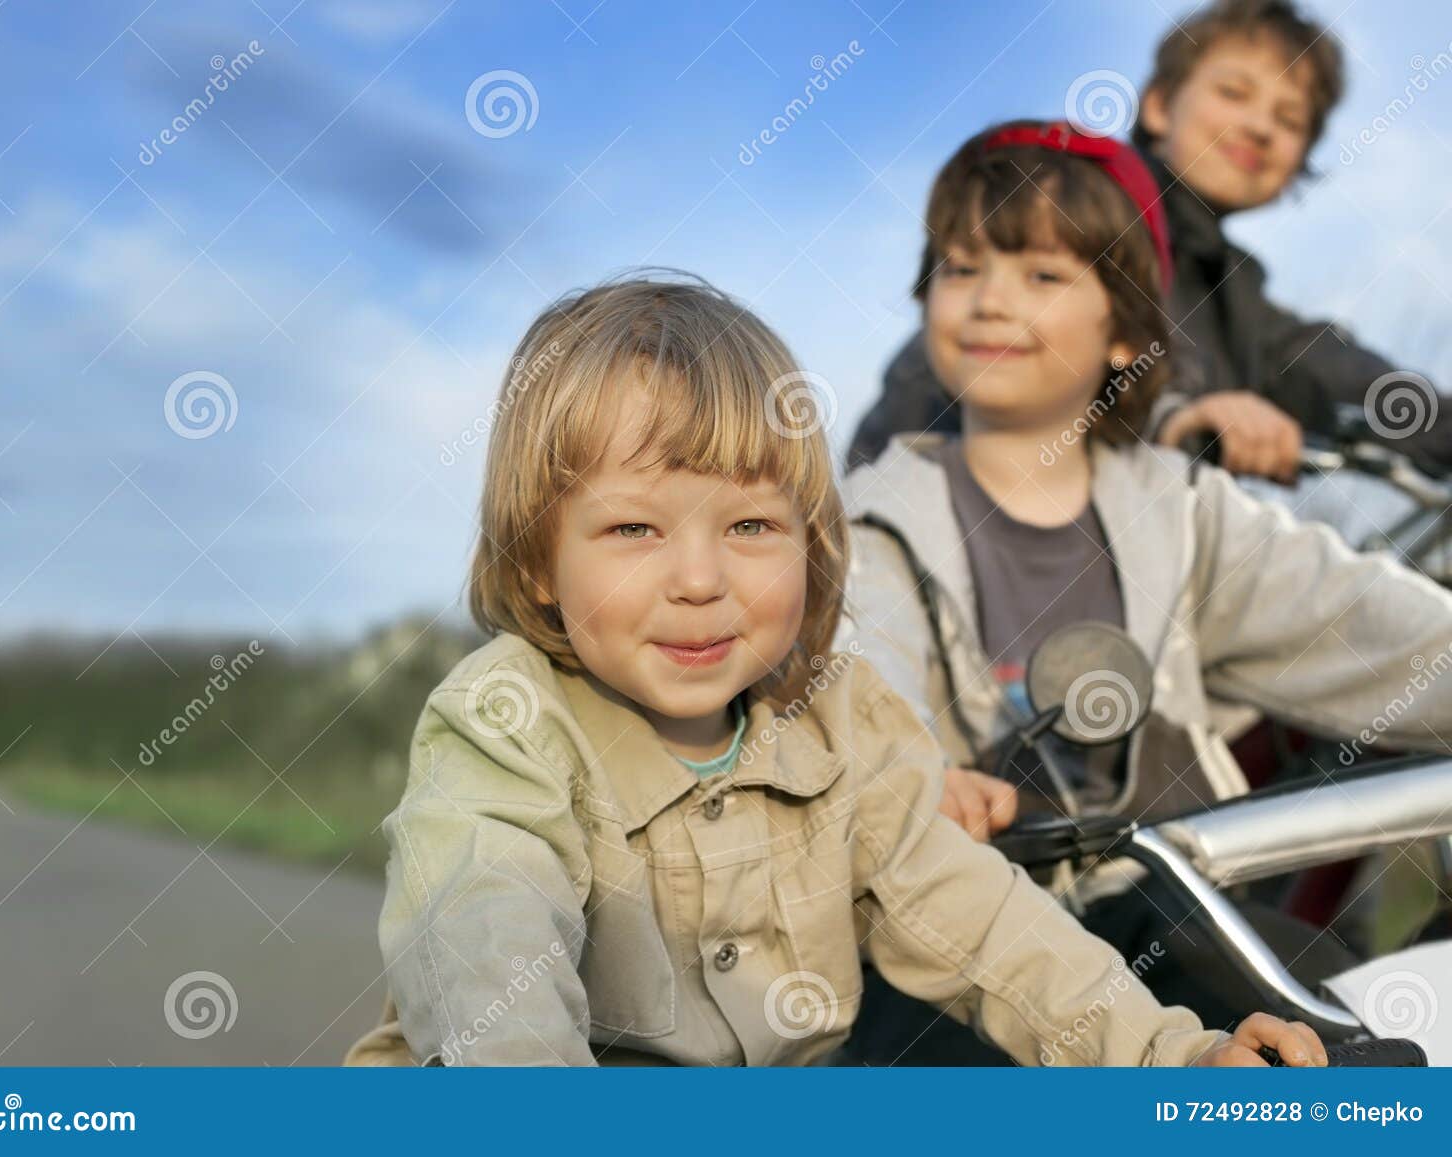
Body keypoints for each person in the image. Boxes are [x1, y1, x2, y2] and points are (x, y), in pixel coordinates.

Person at [343, 272, 1323, 1067]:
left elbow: (988, 928)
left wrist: (1169, 1058)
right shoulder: (506, 718)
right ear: (535, 566)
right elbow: (482, 924)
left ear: (810, 553)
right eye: (634, 527)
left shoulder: (843, 723)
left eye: (751, 526)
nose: (698, 578)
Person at [835, 120, 1452, 1064]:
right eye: (962, 269)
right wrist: (911, 779)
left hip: (1164, 912)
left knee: (1344, 1040)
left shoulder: (1183, 510)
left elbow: (1370, 625)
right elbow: (860, 683)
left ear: (1125, 331)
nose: (991, 299)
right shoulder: (866, 524)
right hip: (963, 942)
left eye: (1042, 276)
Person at [848, 0, 1449, 486]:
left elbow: (1331, 370)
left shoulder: (1234, 292)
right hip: (950, 538)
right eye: (1234, 93)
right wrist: (1181, 412)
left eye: (1290, 120)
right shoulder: (1072, 210)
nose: (1261, 127)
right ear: (1159, 105)